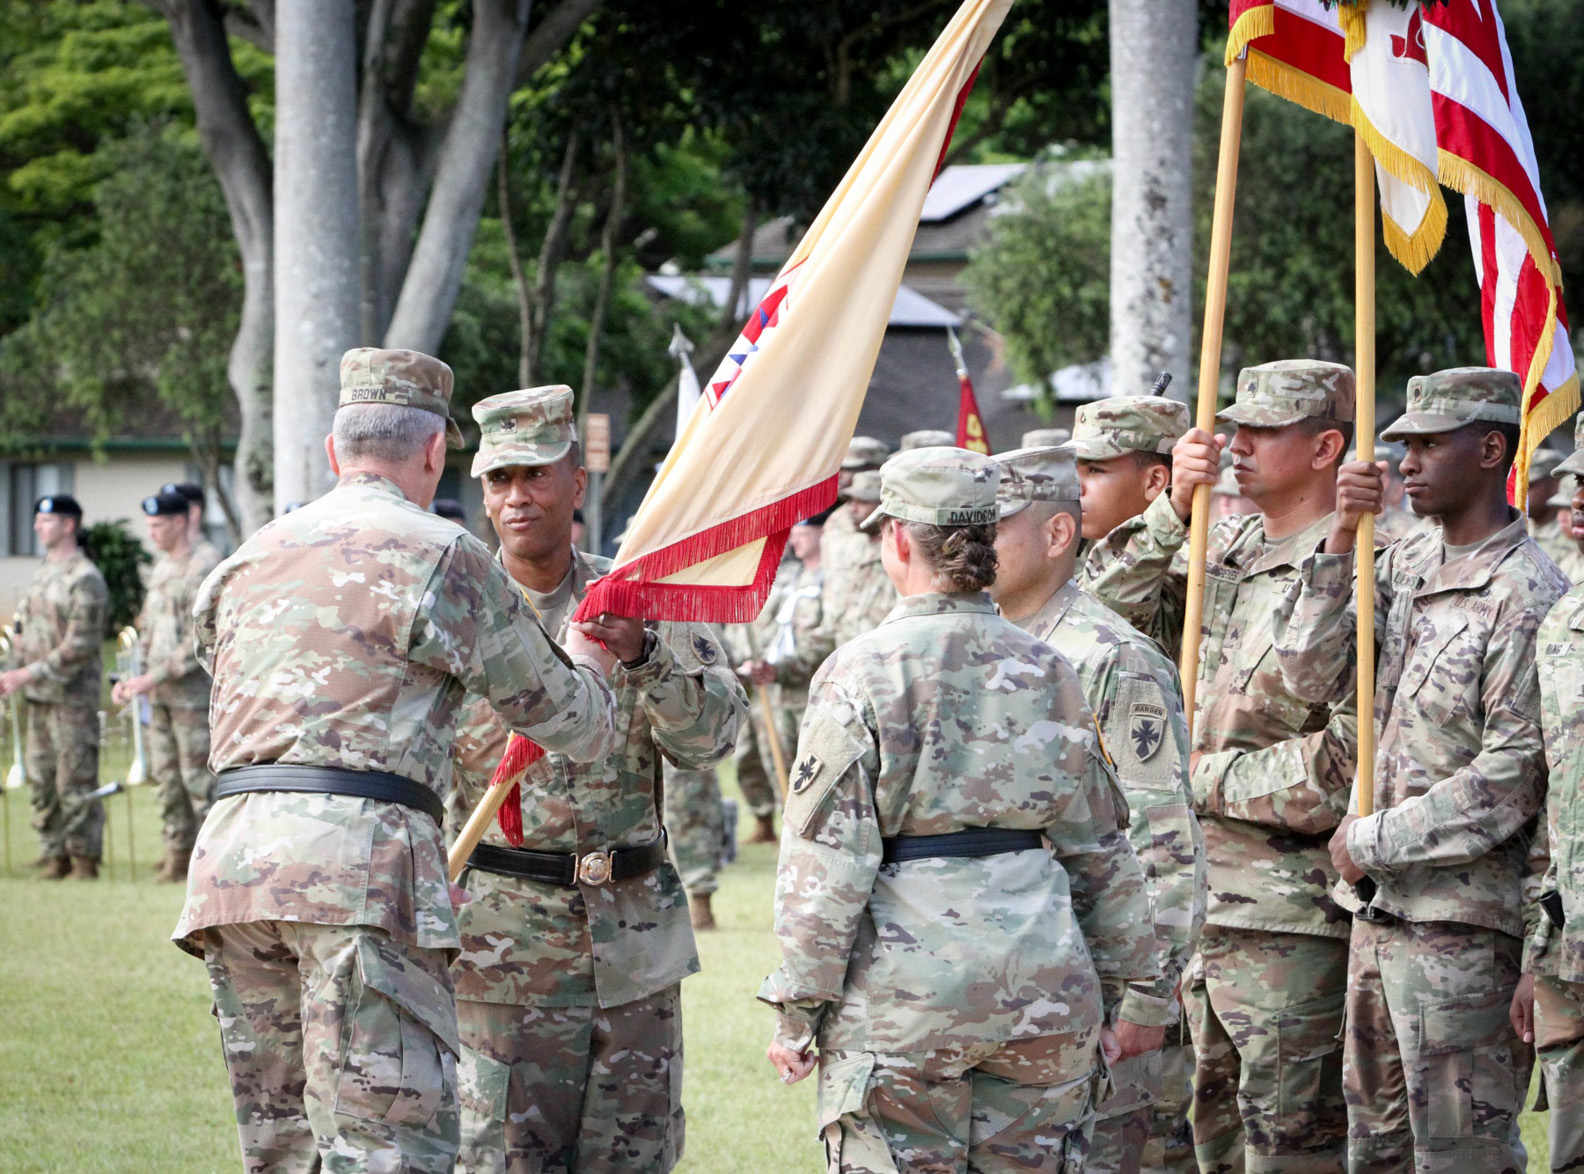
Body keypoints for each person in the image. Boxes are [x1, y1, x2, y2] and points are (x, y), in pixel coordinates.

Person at [172, 349, 621, 1174]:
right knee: (388, 1150)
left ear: (335, 454)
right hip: (359, 869)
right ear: (434, 454)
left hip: (235, 869)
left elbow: (223, 672)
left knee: (282, 1149)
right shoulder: (445, 555)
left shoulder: (247, 556)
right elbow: (573, 724)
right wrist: (589, 656)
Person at [761, 446, 1160, 1173]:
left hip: (905, 1000)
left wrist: (799, 1011)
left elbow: (828, 865)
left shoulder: (861, 672)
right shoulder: (1052, 667)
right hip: (1042, 990)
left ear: (899, 540)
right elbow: (1102, 848)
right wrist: (1133, 986)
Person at [1271, 367, 1564, 1172]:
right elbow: (1307, 676)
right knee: (1378, 1150)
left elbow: (1513, 773)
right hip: (1377, 912)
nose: (1406, 461)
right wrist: (1337, 538)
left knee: (1460, 1152)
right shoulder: (1401, 564)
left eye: (1431, 444)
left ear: (1491, 449)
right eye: (1405, 444)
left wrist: (1377, 837)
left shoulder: (1526, 592)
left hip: (1463, 928)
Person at [446, 384, 743, 1169]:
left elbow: (713, 741)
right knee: (503, 1160)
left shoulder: (642, 597)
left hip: (632, 945)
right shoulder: (453, 610)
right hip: (501, 946)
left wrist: (646, 657)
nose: (518, 497)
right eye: (500, 480)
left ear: (577, 481)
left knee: (634, 1161)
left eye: (537, 475)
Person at [1082, 359, 1361, 1174]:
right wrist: (1170, 510)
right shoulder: (1221, 545)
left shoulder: (1363, 561)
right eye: (1233, 426)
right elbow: (1099, 610)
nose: (1236, 444)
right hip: (1197, 905)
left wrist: (1194, 780)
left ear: (1325, 447)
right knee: (1211, 1143)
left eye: (1262, 431)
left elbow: (1344, 761)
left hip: (1292, 914)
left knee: (1290, 1145)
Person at [992, 446, 1206, 1174]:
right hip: (1009, 983)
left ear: (1055, 535)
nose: (969, 548)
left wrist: (1148, 997)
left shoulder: (1111, 656)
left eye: (992, 528)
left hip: (1098, 990)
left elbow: (1166, 839)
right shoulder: (980, 648)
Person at [1525, 414, 1584, 1172]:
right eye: (1576, 481)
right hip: (1570, 946)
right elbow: (1554, 791)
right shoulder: (1565, 618)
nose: (1577, 495)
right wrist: (1538, 950)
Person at [111, 489, 221, 882]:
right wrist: (130, 679)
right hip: (158, 696)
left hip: (191, 697)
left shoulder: (204, 565)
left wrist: (150, 677)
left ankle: (210, 863)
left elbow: (201, 638)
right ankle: (177, 854)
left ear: (179, 522)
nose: (152, 533)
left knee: (198, 782)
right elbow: (147, 628)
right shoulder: (160, 568)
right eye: (149, 526)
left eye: (158, 526)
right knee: (166, 779)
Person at [0, 494, 108, 880]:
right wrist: (14, 666)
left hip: (71, 699)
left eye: (45, 520)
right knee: (42, 777)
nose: (36, 527)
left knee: (74, 779)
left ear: (68, 525)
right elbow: (27, 630)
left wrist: (30, 672)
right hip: (40, 697)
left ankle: (83, 860)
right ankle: (54, 854)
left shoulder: (85, 577)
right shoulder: (45, 571)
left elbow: (81, 643)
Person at [732, 507, 831, 842]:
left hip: (809, 689)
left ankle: (814, 834)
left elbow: (830, 638)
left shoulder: (834, 580)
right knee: (773, 763)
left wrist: (782, 667)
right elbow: (766, 626)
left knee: (811, 768)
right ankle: (782, 828)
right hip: (772, 686)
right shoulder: (788, 577)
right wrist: (752, 661)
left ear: (823, 533)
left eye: (804, 531)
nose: (796, 538)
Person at [161, 480, 223, 566]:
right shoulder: (168, 557)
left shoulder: (208, 558)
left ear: (194, 512)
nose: (165, 516)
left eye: (173, 510)